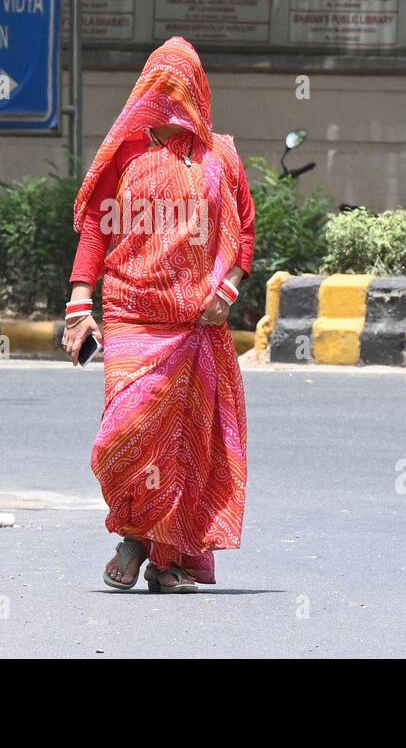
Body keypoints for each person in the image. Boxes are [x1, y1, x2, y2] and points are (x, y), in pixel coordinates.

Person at [63, 36, 255, 594]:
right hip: (131, 316)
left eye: (183, 82)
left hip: (197, 326)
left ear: (199, 90)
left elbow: (243, 234)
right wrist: (80, 306)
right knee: (123, 435)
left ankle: (158, 558)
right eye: (162, 81)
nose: (173, 93)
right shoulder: (125, 151)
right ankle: (139, 536)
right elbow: (97, 229)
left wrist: (229, 290)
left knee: (183, 444)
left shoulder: (221, 155)